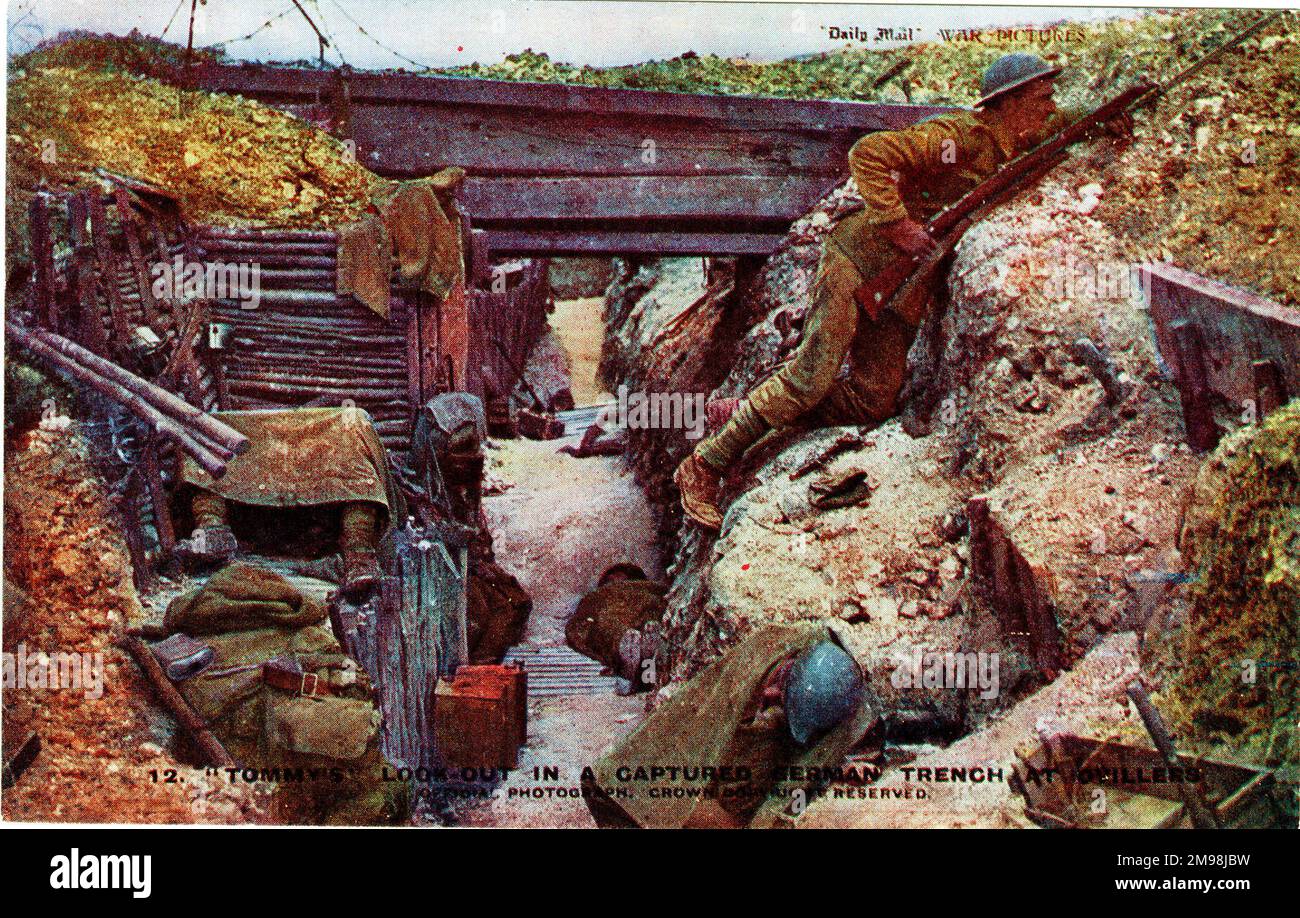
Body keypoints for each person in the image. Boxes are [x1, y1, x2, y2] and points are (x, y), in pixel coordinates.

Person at [675, 53, 1129, 529]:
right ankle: (705, 465)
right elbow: (870, 154)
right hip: (860, 259)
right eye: (1041, 97)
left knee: (875, 401)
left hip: (902, 285)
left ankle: (754, 412)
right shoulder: (956, 139)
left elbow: (1066, 122)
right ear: (1009, 102)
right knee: (812, 375)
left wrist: (1105, 118)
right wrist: (898, 223)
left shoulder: (1016, 139)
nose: (1050, 106)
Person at [583, 622, 879, 828]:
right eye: (778, 685)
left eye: (779, 700)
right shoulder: (759, 660)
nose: (769, 694)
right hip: (648, 791)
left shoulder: (830, 715)